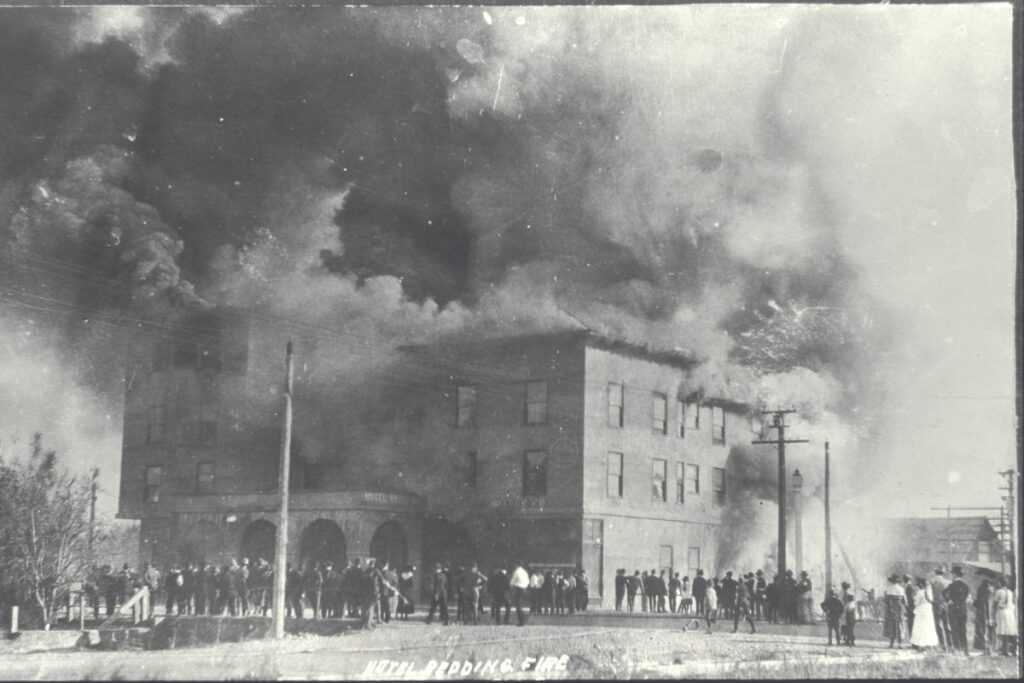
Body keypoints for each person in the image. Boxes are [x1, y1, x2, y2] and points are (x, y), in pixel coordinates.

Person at [943, 566, 970, 655]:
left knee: (954, 630)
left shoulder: (951, 585)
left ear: (955, 575)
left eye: (953, 574)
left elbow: (944, 593)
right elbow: (966, 598)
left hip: (953, 610)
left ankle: (957, 649)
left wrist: (949, 601)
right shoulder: (966, 586)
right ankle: (965, 649)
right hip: (962, 610)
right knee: (963, 630)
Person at [910, 577, 939, 651]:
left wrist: (914, 599)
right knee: (929, 626)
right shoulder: (930, 592)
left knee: (920, 626)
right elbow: (931, 600)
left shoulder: (920, 592)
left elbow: (916, 603)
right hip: (928, 610)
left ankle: (920, 644)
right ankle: (929, 644)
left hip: (921, 610)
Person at [992, 576, 1017, 656]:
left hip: (1002, 612)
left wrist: (993, 612)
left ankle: (1005, 650)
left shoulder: (998, 592)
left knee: (1003, 631)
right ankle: (1013, 649)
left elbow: (995, 603)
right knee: (1009, 630)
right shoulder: (1010, 592)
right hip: (1009, 612)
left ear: (1000, 583)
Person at [930, 567, 952, 651]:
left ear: (935, 572)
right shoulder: (947, 582)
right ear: (943, 573)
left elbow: (928, 593)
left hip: (936, 604)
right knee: (947, 625)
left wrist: (932, 601)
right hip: (945, 605)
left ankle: (942, 645)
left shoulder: (932, 582)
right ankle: (950, 644)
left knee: (938, 625)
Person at [882, 574, 907, 648]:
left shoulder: (888, 589)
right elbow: (905, 601)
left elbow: (885, 600)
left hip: (890, 609)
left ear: (892, 581)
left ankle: (891, 643)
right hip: (899, 609)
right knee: (899, 624)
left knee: (891, 625)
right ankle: (900, 643)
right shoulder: (902, 589)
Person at [973, 576, 993, 654]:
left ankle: (985, 649)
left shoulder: (982, 591)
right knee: (988, 631)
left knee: (983, 631)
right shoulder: (989, 592)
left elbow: (978, 603)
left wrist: (974, 602)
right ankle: (988, 649)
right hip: (988, 613)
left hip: (981, 613)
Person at [509, 563, 529, 627]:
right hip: (524, 589)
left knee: (518, 606)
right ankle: (523, 620)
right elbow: (528, 581)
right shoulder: (524, 572)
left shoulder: (516, 571)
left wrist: (511, 586)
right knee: (520, 605)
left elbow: (512, 581)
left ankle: (521, 621)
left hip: (518, 589)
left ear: (517, 565)